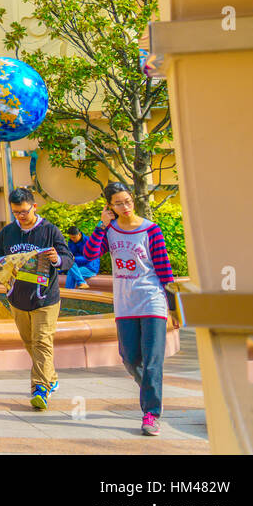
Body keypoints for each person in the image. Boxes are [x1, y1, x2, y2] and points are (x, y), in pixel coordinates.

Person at [81, 182, 175, 436]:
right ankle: (150, 389)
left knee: (153, 361)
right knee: (130, 358)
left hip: (151, 299)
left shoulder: (150, 230)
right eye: (119, 203)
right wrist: (101, 226)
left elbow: (165, 270)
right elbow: (90, 254)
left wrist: (174, 307)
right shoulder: (109, 231)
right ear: (109, 207)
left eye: (128, 201)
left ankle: (151, 414)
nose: (125, 207)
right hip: (125, 304)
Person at [0, 187, 73, 410]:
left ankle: (40, 389)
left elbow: (67, 259)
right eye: (16, 213)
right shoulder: (8, 232)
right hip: (17, 298)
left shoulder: (50, 231)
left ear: (34, 206)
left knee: (42, 340)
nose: (21, 216)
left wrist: (57, 259)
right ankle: (50, 378)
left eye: (24, 211)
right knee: (29, 341)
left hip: (45, 299)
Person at [62, 224, 100, 289]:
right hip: (77, 267)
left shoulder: (89, 242)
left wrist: (74, 258)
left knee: (71, 273)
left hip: (90, 268)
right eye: (70, 237)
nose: (72, 239)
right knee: (71, 269)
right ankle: (81, 284)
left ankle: (69, 293)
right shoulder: (71, 242)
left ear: (79, 234)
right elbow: (70, 257)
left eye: (73, 237)